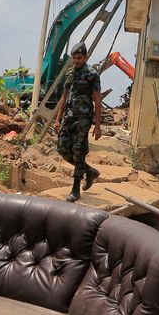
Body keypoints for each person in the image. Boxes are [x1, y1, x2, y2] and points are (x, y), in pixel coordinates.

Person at [53, 42, 103, 202]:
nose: (77, 61)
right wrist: (58, 119)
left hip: (83, 118)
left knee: (78, 151)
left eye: (79, 58)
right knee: (62, 149)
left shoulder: (92, 74)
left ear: (86, 57)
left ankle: (75, 189)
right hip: (68, 117)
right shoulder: (69, 73)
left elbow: (97, 99)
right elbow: (64, 97)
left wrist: (97, 125)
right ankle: (90, 171)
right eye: (74, 58)